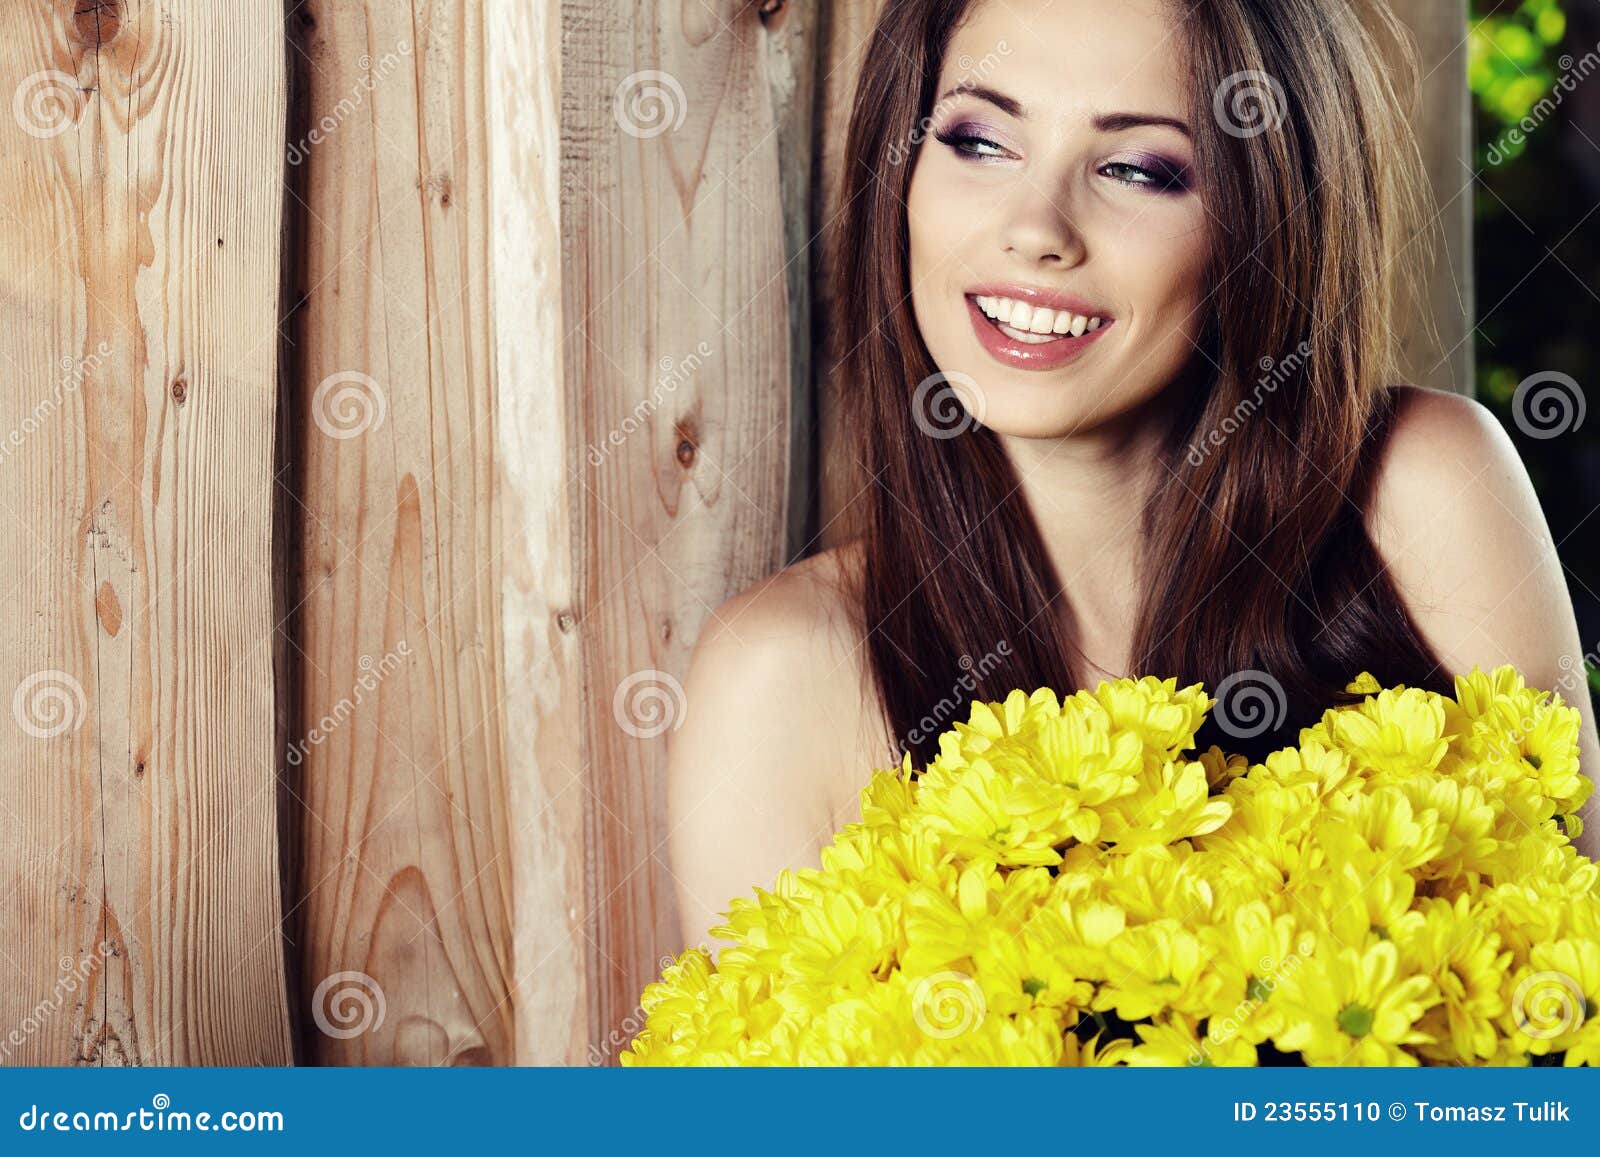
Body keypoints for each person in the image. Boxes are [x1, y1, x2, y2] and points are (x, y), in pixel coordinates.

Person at [667, 0, 1600, 953]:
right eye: (980, 141)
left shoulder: (1426, 485)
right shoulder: (780, 673)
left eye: (1138, 169)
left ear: (1268, 217)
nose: (1036, 228)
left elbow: (1568, 1008)